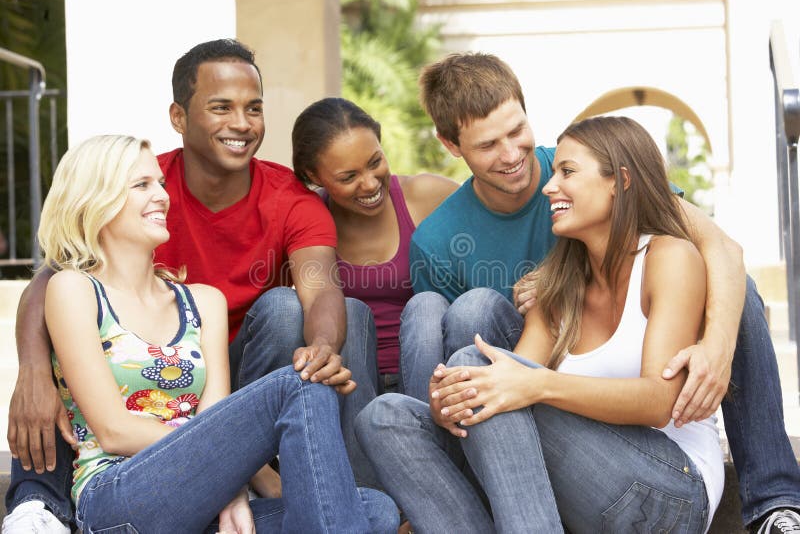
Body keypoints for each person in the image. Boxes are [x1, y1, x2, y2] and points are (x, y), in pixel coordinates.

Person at [400, 52, 800, 532]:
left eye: (516, 132)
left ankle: (774, 497)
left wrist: (716, 347)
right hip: (531, 378)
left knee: (740, 290)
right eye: (488, 144)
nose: (512, 155)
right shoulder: (440, 243)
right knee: (467, 330)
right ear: (451, 144)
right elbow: (503, 364)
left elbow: (723, 249)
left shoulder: (591, 170)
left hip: (611, 423)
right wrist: (451, 403)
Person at [3, 39, 378, 530]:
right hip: (141, 456)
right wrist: (30, 368)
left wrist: (325, 346)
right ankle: (38, 504)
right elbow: (57, 275)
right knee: (298, 389)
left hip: (224, 389)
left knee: (376, 505)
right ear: (179, 117)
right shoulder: (135, 193)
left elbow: (320, 284)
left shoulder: (282, 206)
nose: (242, 123)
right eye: (221, 107)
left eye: (254, 108)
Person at [357, 115, 724, 532]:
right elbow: (512, 384)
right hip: (582, 499)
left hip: (669, 493)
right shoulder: (559, 282)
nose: (549, 187)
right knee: (385, 417)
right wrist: (450, 407)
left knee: (482, 368)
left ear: (619, 180)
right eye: (554, 174)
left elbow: (659, 403)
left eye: (567, 172)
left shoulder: (667, 257)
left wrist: (537, 384)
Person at [290, 97, 458, 400]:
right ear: (314, 176)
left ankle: (425, 428)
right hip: (351, 379)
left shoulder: (425, 196)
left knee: (427, 304)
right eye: (348, 177)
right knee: (350, 310)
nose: (369, 184)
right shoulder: (307, 217)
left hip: (427, 375)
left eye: (375, 162)